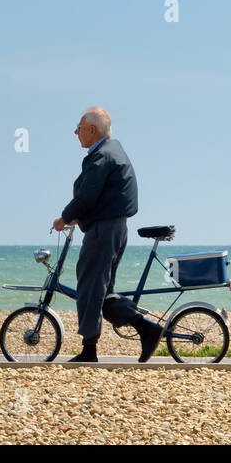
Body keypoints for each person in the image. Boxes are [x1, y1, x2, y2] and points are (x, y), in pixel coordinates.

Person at [51, 107, 163, 363]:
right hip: (113, 228)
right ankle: (146, 329)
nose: (76, 132)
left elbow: (87, 194)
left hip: (103, 231)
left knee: (90, 288)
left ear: (92, 130)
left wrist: (65, 218)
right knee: (101, 292)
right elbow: (103, 195)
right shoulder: (113, 150)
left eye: (79, 127)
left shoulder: (102, 155)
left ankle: (90, 351)